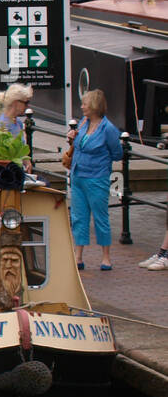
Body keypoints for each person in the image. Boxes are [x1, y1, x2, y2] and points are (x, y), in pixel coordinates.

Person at [66, 88, 123, 271]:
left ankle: (106, 257)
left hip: (97, 177)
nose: (82, 107)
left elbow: (117, 153)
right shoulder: (83, 123)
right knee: (78, 217)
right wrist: (72, 140)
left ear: (94, 106)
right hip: (78, 175)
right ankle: (79, 255)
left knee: (100, 216)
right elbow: (78, 145)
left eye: (85, 104)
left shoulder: (108, 129)